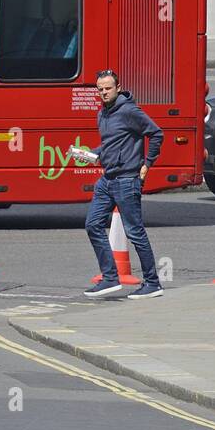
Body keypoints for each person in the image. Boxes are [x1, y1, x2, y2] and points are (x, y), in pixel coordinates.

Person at [76, 70, 164, 299]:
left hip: (127, 179)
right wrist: (89, 154)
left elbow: (156, 133)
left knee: (134, 232)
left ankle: (153, 283)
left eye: (108, 88)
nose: (104, 92)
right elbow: (109, 146)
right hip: (107, 179)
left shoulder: (128, 110)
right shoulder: (102, 114)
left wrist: (147, 164)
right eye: (100, 89)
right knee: (92, 224)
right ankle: (110, 279)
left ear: (118, 87)